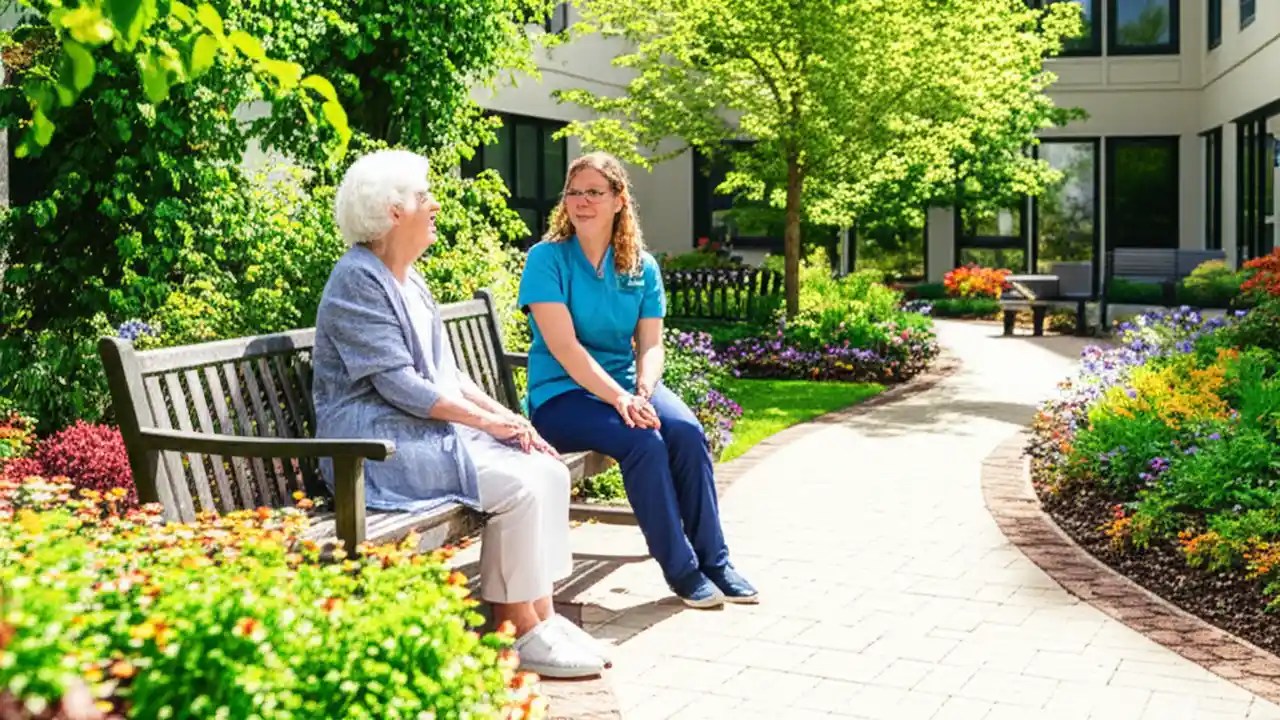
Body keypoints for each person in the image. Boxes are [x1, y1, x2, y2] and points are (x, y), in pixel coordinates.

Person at [312, 149, 609, 678]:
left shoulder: (410, 280)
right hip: (372, 450)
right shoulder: (357, 279)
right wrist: (486, 424)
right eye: (423, 196)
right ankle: (515, 627)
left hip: (420, 433)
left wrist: (509, 418)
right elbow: (399, 385)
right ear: (393, 211)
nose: (434, 205)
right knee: (518, 488)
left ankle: (543, 615)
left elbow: (448, 374)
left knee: (545, 467)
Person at [517, 151, 758, 609]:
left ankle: (716, 562)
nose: (582, 201)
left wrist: (643, 390)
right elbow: (565, 348)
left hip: (627, 389)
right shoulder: (546, 259)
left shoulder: (641, 266)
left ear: (619, 200)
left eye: (594, 192)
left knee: (686, 431)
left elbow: (651, 344)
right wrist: (622, 399)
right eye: (574, 192)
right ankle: (683, 572)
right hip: (562, 396)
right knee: (643, 442)